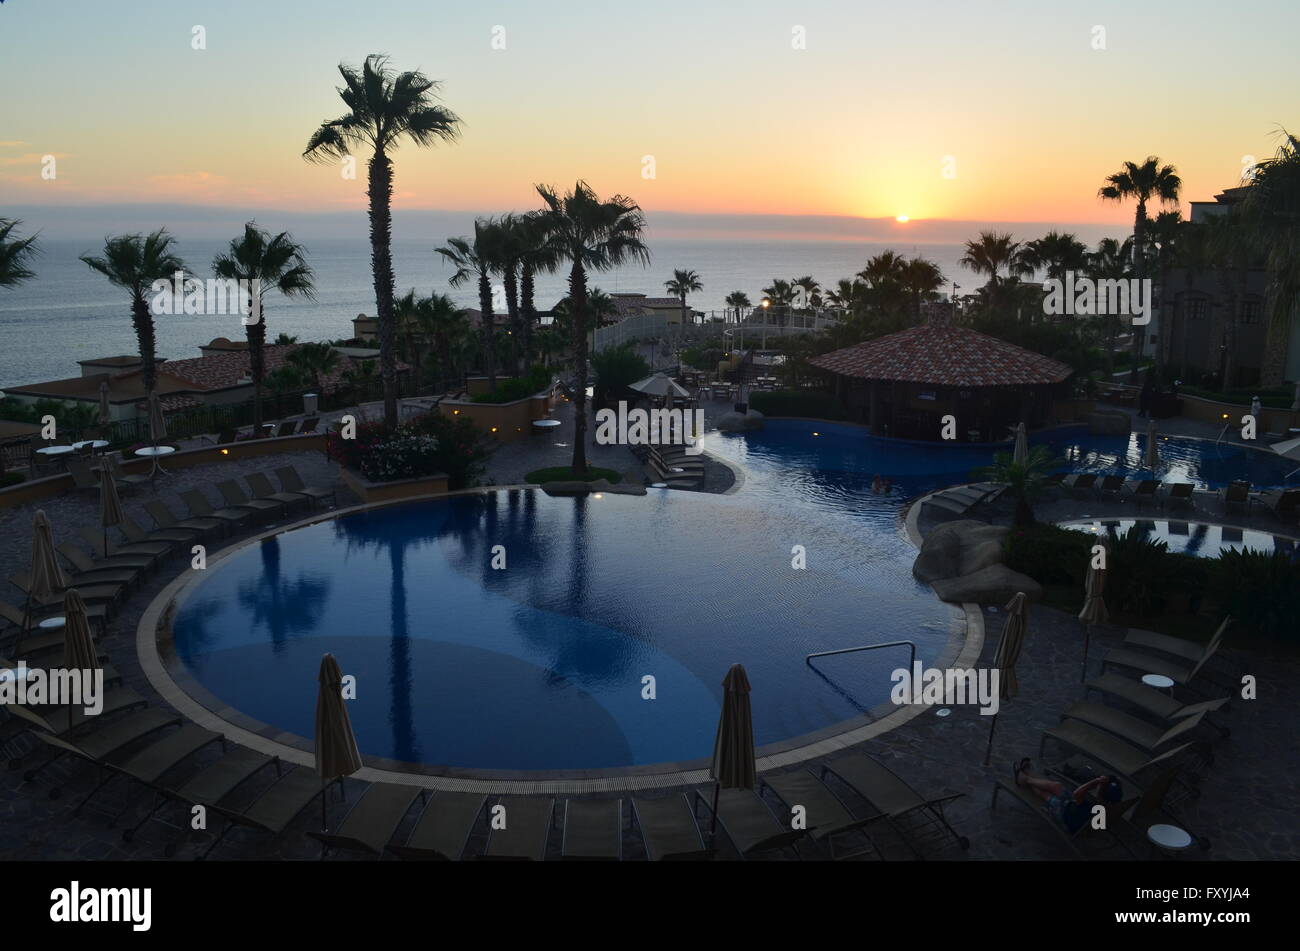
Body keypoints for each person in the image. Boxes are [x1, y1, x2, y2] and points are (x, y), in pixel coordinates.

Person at [1014, 758, 1122, 834]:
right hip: (1075, 811)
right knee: (1057, 786)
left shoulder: (1091, 808)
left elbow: (1077, 794)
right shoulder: (1109, 804)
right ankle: (1027, 777)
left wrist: (1095, 781)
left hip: (1066, 817)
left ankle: (1025, 778)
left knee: (1047, 795)